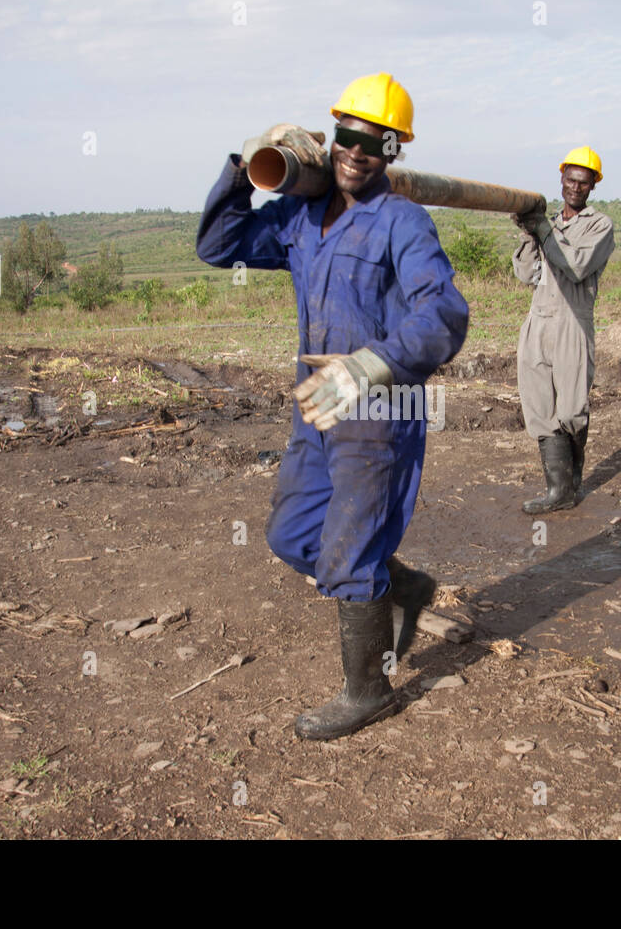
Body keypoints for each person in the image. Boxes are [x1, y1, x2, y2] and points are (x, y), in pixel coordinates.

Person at [196, 73, 468, 740]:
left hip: (376, 407)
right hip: (316, 404)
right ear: (333, 135)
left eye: (374, 144)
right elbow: (218, 247)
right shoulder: (298, 215)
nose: (356, 152)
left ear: (393, 152)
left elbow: (445, 313)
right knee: (291, 537)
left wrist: (371, 364)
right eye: (347, 136)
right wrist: (244, 163)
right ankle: (398, 586)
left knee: (348, 551)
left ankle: (368, 690)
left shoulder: (402, 220)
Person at [511, 146, 615, 513]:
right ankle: (559, 491)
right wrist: (529, 233)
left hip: (573, 321)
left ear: (593, 187)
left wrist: (542, 229)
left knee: (571, 410)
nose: (576, 187)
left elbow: (575, 266)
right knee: (539, 406)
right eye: (571, 180)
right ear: (561, 180)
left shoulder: (599, 226)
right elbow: (525, 274)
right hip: (538, 318)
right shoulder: (548, 225)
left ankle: (572, 482)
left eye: (583, 183)